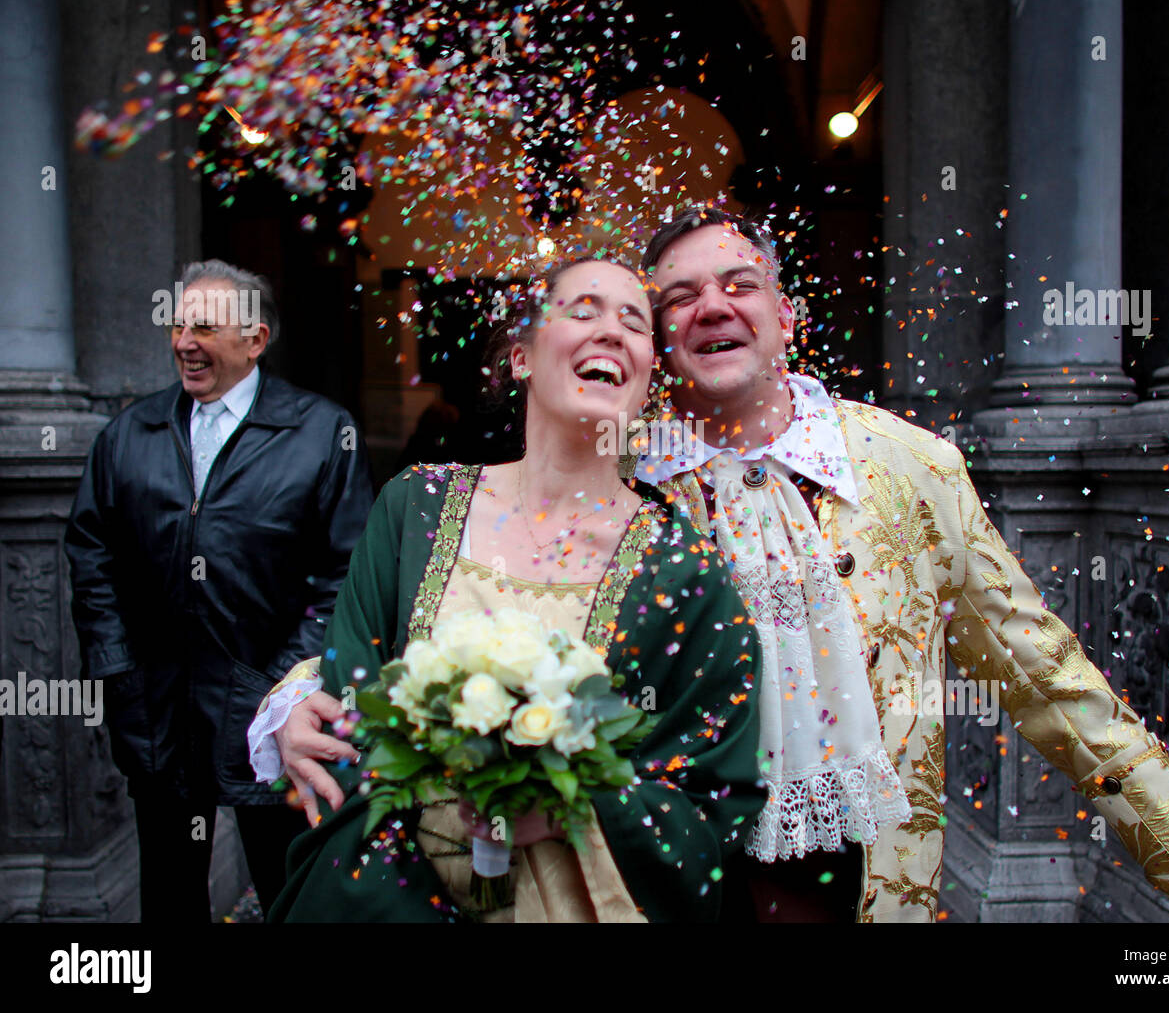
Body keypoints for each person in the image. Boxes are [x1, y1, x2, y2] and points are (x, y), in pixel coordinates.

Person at [632, 207, 1169, 921]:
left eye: (739, 284)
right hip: (668, 881)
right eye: (679, 298)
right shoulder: (614, 479)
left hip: (865, 885)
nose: (711, 308)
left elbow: (1033, 661)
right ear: (659, 342)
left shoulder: (909, 464)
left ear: (786, 317)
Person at [252, 258, 795, 922]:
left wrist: (580, 800)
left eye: (634, 323)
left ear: (650, 377)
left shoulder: (686, 574)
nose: (611, 332)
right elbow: (346, 713)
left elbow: (712, 807)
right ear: (521, 358)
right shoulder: (412, 509)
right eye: (583, 310)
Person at [63, 259, 374, 922]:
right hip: (158, 707)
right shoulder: (130, 433)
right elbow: (92, 554)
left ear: (255, 340)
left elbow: (346, 573)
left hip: (272, 712)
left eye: (202, 326)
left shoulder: (321, 432)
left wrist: (281, 685)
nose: (182, 341)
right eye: (177, 324)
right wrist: (117, 668)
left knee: (289, 888)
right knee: (170, 895)